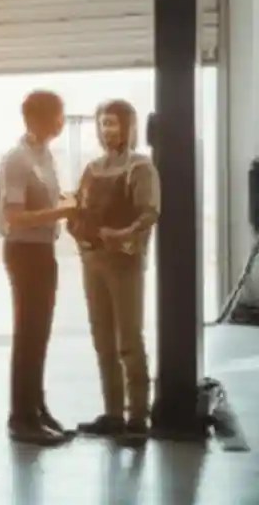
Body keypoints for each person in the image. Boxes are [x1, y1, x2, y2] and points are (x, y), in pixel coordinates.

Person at [68, 99, 159, 443]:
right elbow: (78, 208)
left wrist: (122, 236)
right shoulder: (92, 169)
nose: (108, 130)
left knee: (129, 339)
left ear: (129, 126)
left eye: (114, 123)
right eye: (104, 123)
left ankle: (138, 415)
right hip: (92, 261)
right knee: (102, 339)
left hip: (125, 262)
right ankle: (112, 413)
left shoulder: (141, 167)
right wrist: (79, 233)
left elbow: (148, 213)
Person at [0, 90, 79, 445]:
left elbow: (51, 198)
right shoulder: (18, 160)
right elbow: (14, 218)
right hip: (24, 252)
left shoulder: (44, 156)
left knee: (39, 334)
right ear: (40, 120)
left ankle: (37, 408)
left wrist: (73, 201)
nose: (62, 122)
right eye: (58, 116)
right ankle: (21, 418)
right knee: (28, 334)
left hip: (44, 251)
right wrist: (63, 212)